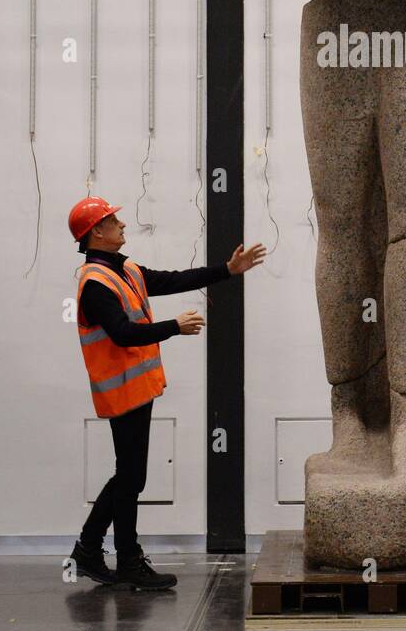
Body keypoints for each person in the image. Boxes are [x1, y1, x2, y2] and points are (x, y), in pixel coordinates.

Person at [66, 197, 266, 591]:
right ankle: (108, 554)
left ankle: (105, 554)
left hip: (137, 389)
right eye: (113, 220)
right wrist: (175, 326)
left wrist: (227, 270)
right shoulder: (94, 283)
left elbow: (172, 280)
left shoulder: (124, 269)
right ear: (96, 233)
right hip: (121, 393)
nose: (122, 224)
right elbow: (122, 333)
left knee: (130, 477)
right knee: (130, 477)